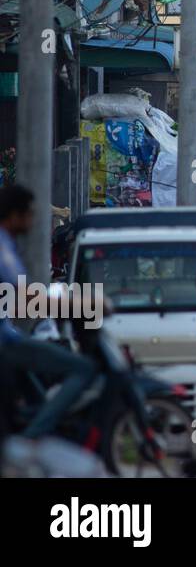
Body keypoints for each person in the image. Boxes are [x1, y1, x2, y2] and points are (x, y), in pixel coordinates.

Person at [0, 184, 98, 441]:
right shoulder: (3, 247)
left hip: (10, 337)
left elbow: (16, 302)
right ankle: (34, 438)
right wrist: (84, 306)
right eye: (30, 214)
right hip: (5, 344)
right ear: (14, 216)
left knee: (37, 389)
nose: (34, 221)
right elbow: (27, 296)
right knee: (82, 368)